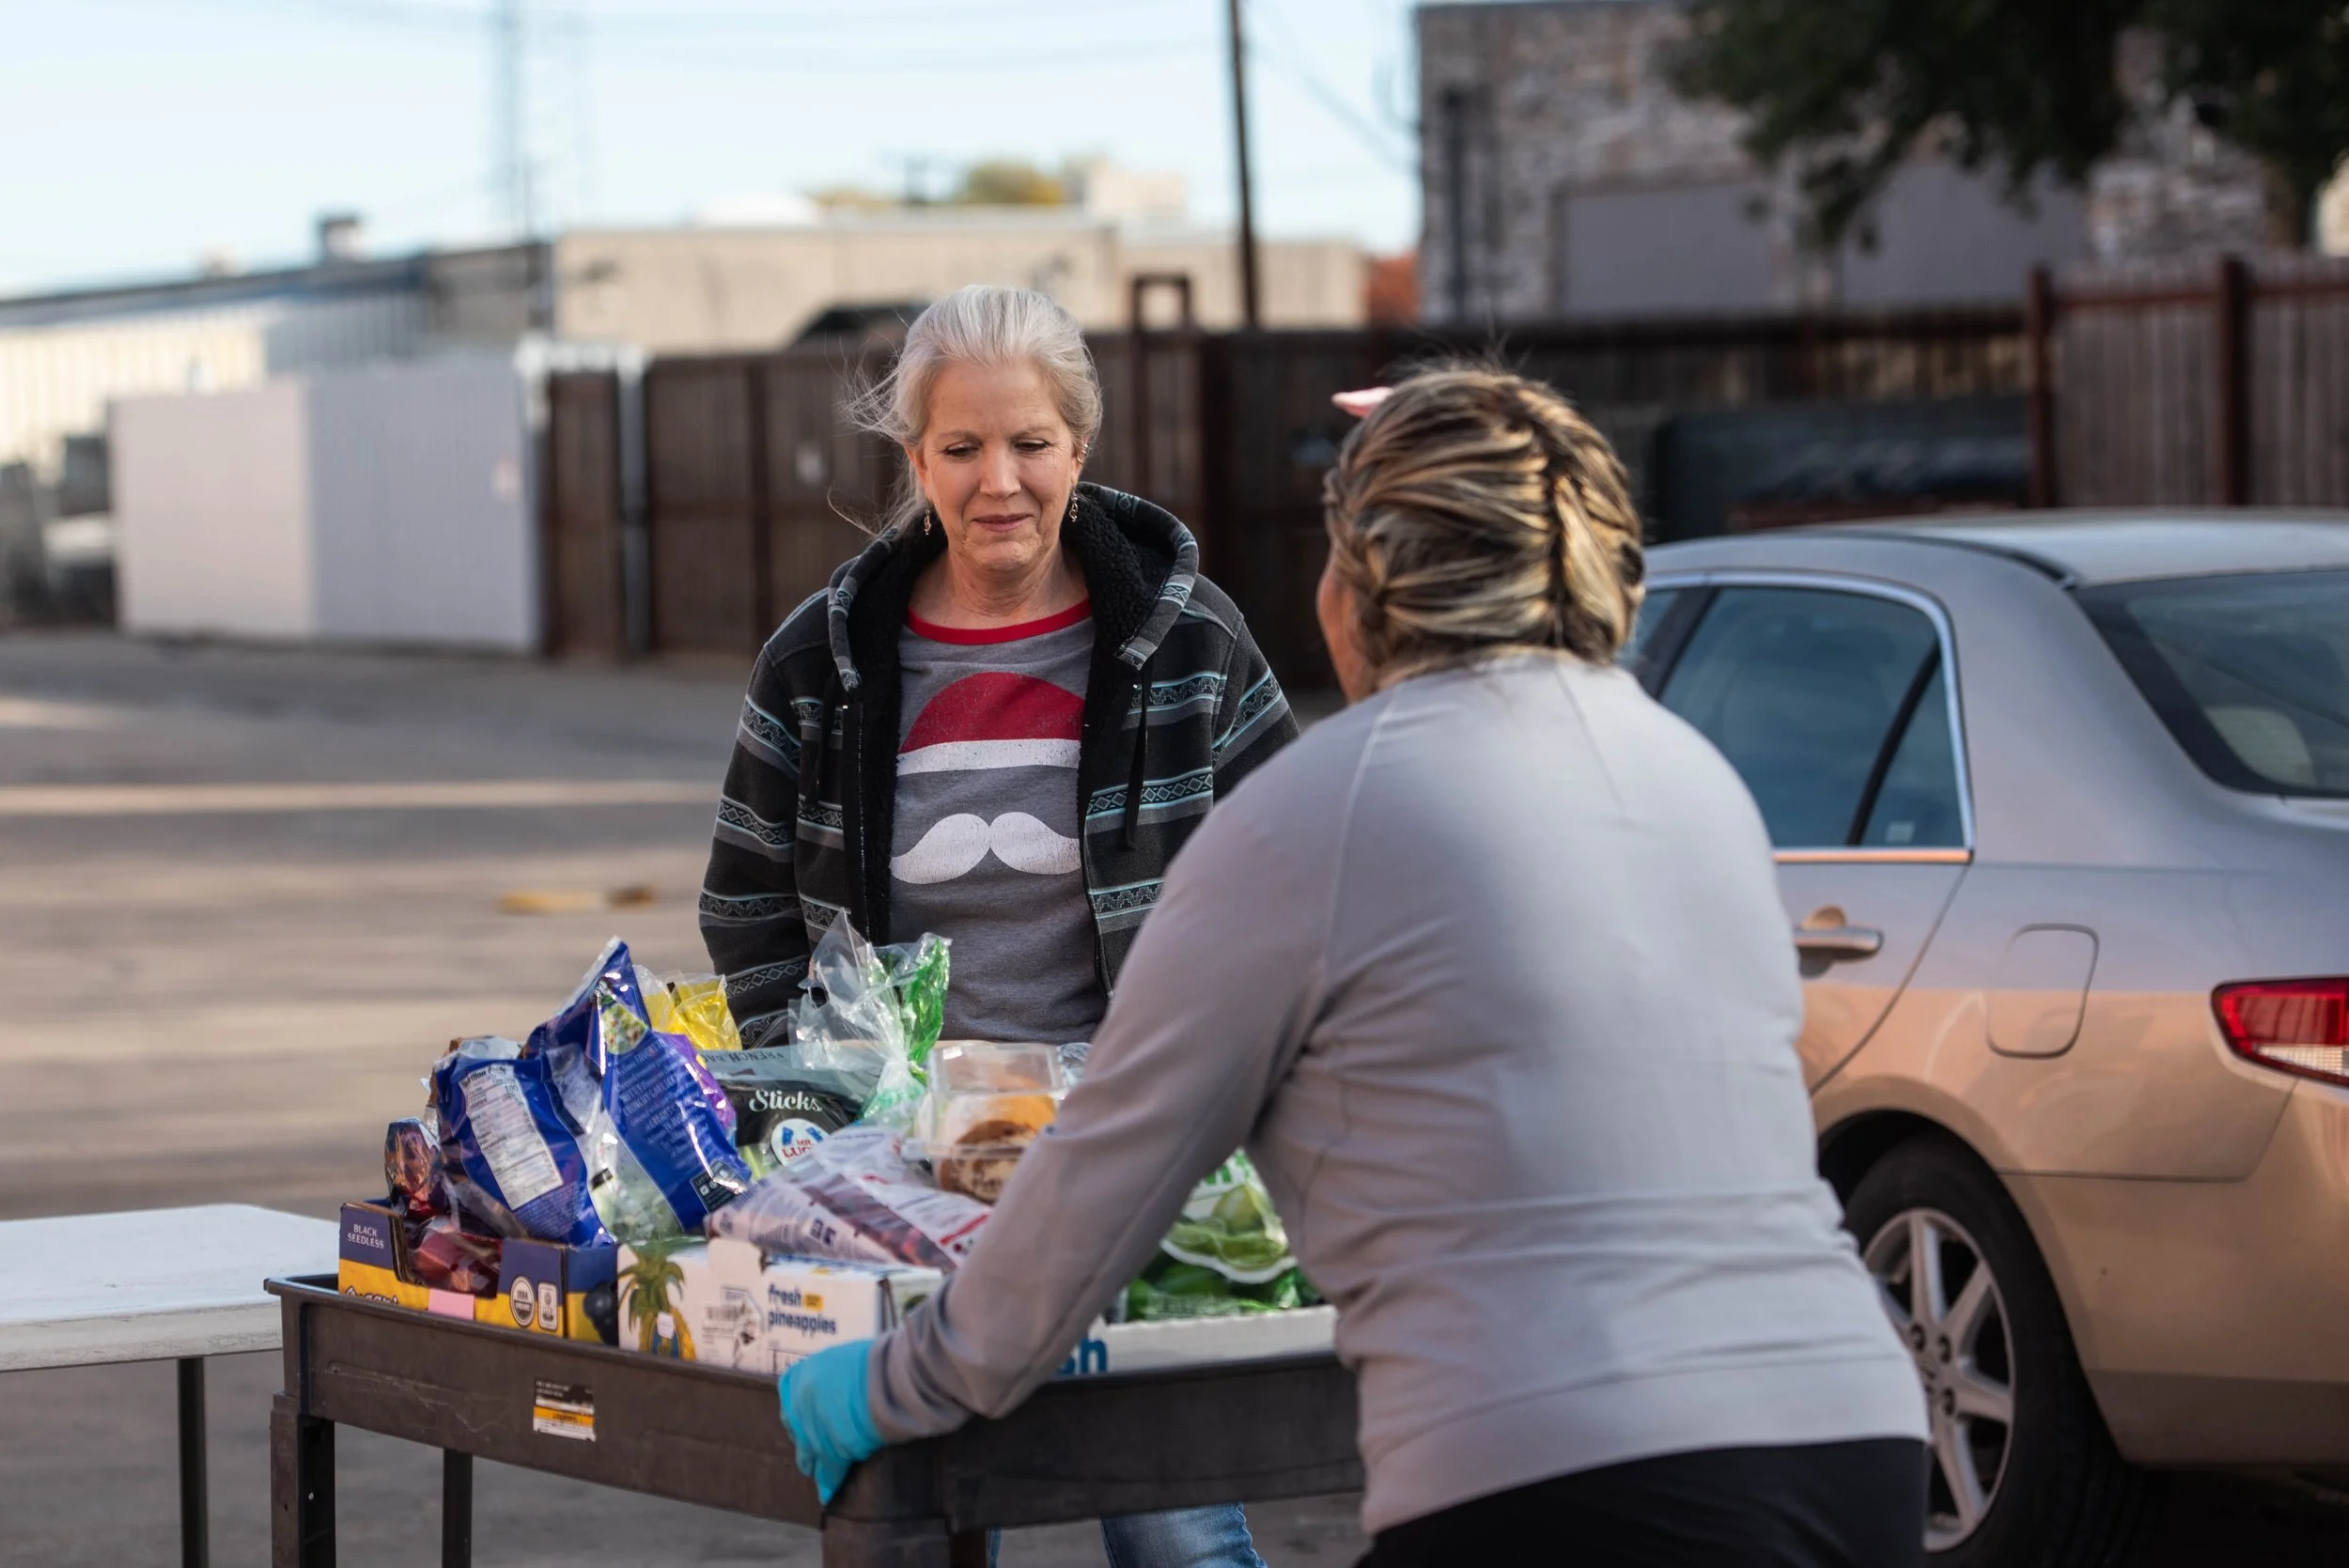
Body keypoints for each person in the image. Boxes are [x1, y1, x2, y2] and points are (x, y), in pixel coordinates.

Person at [776, 365, 1932, 1566]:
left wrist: (897, 1382)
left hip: (1555, 1470)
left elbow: (1096, 1188)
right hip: (1856, 1436)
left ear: (1365, 584)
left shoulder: (1317, 812)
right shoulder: (1692, 773)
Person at [699, 284, 1297, 1568]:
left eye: (1030, 443)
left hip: (1139, 1150)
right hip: (897, 1170)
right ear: (915, 460)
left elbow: (1295, 883)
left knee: (1176, 1526)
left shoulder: (1187, 642)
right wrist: (820, 1096)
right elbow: (744, 898)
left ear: (1081, 446)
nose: (998, 481)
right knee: (901, 1524)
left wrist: (1226, 1097)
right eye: (961, 448)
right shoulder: (823, 659)